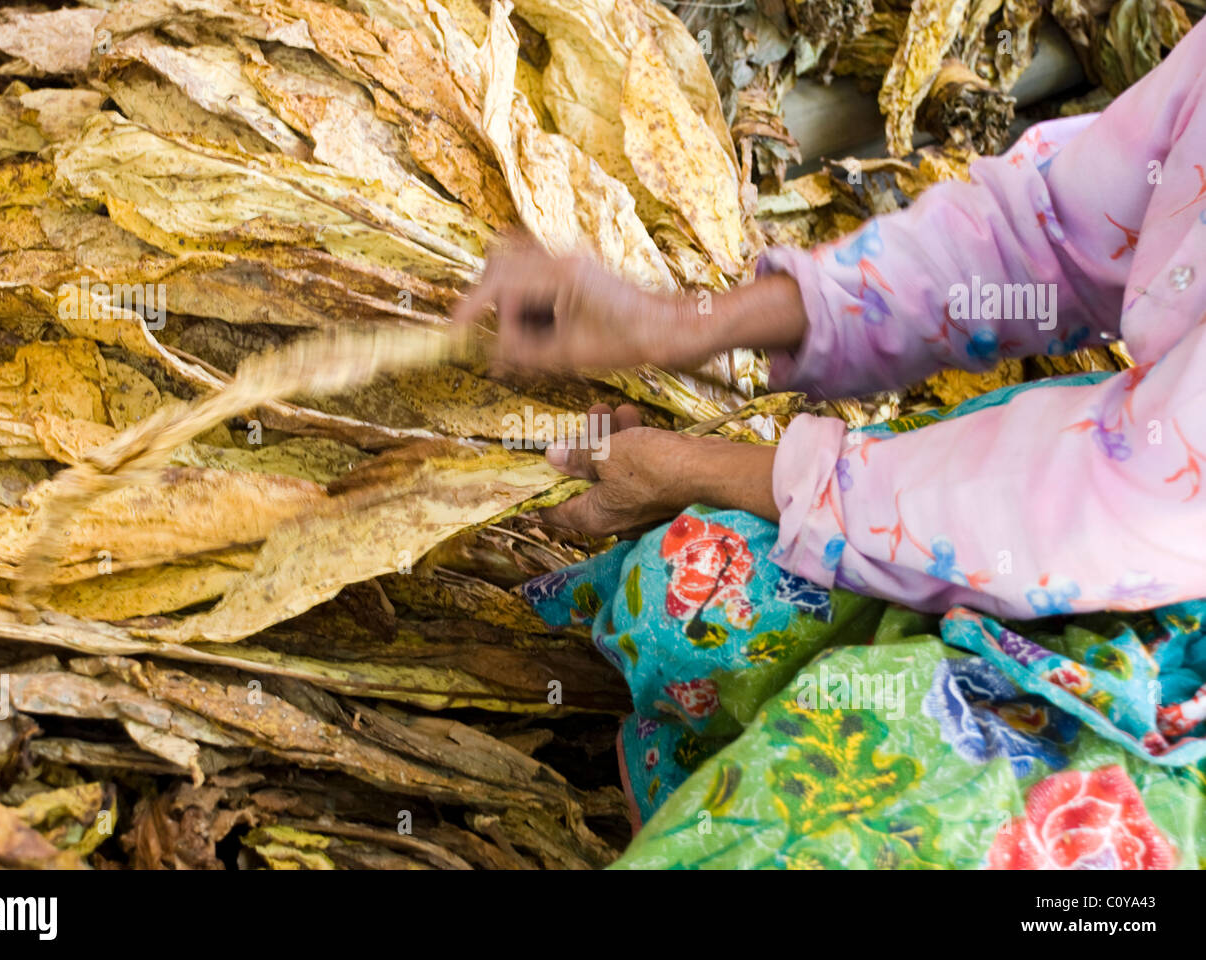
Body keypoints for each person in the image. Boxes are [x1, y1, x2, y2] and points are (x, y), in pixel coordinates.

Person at [453, 21, 1206, 869]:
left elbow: (1125, 495)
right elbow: (1046, 235)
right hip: (1097, 483)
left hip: (1143, 570)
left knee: (783, 846)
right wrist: (681, 324)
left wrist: (714, 468)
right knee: (686, 593)